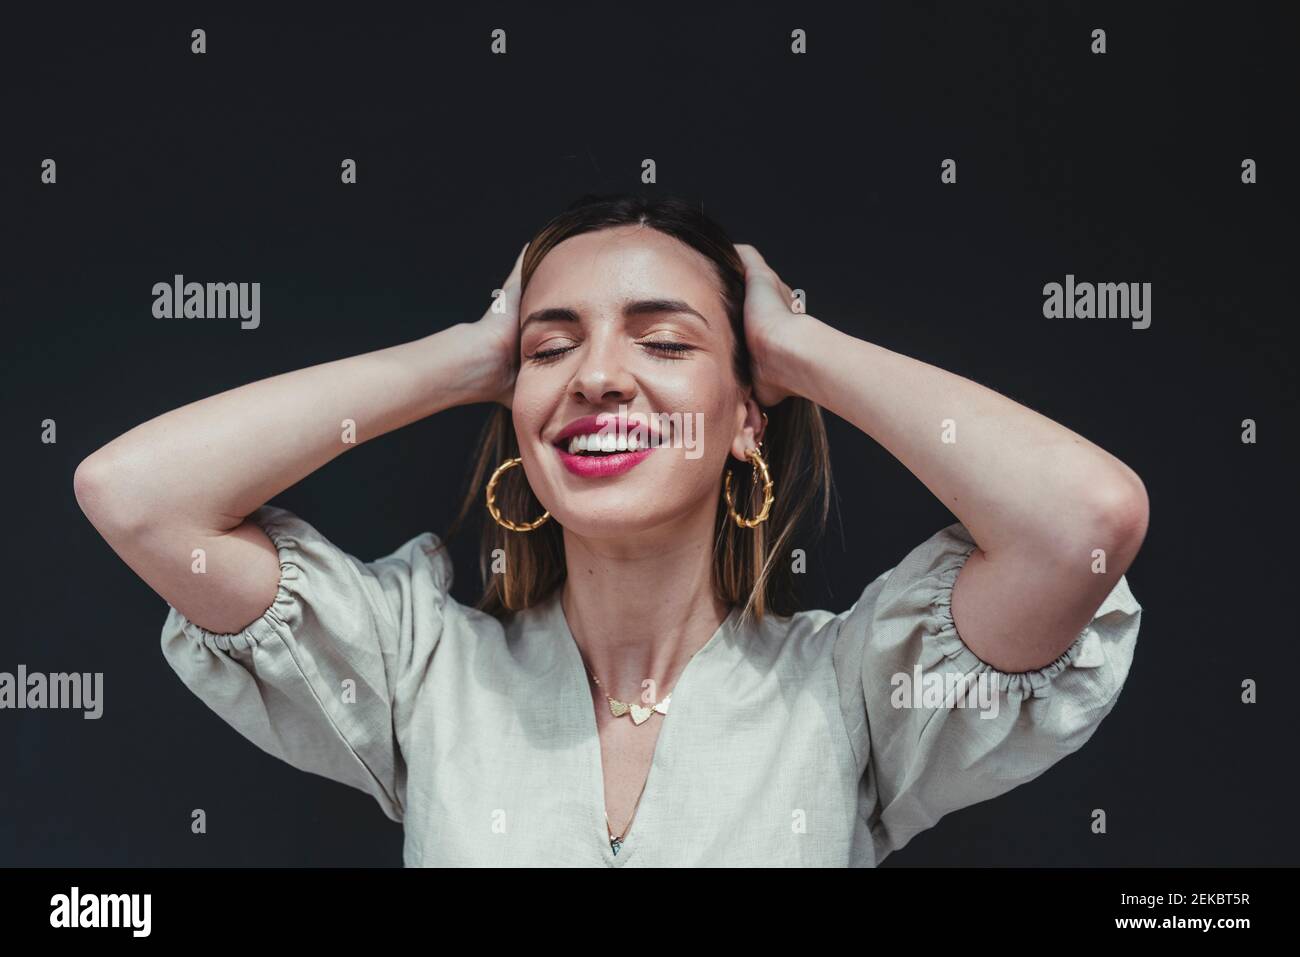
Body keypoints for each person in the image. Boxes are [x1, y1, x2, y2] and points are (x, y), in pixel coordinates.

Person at [74, 193, 1147, 866]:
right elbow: (135, 494)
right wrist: (467, 357)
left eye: (661, 342)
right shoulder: (418, 670)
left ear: (745, 419)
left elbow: (1083, 522)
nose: (596, 376)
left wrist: (799, 347)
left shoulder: (853, 685)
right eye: (553, 350)